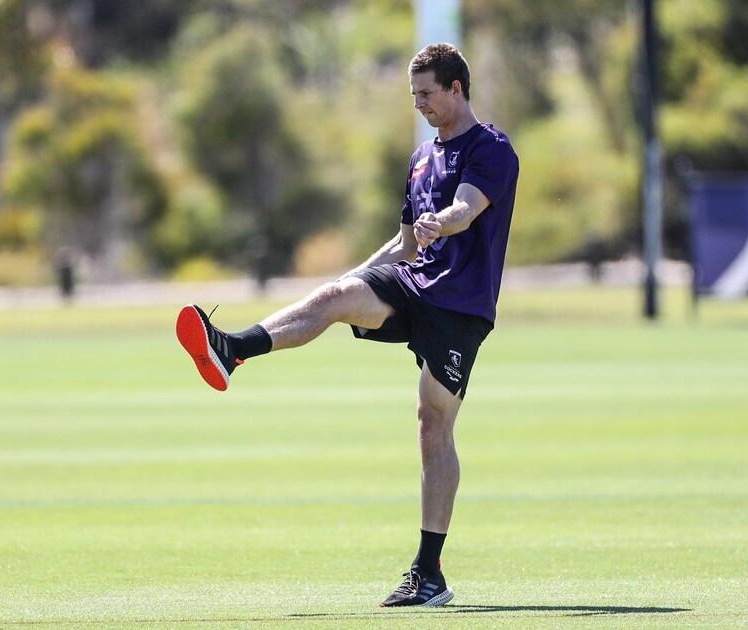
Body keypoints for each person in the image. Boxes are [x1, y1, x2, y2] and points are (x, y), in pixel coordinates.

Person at [175, 43, 519, 608]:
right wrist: (355, 278)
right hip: (413, 286)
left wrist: (444, 222)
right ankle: (229, 349)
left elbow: (466, 210)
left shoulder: (492, 149)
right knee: (335, 297)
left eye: (427, 95)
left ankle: (429, 573)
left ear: (457, 88)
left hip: (460, 307)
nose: (420, 106)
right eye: (414, 97)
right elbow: (405, 244)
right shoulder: (420, 160)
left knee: (433, 424)